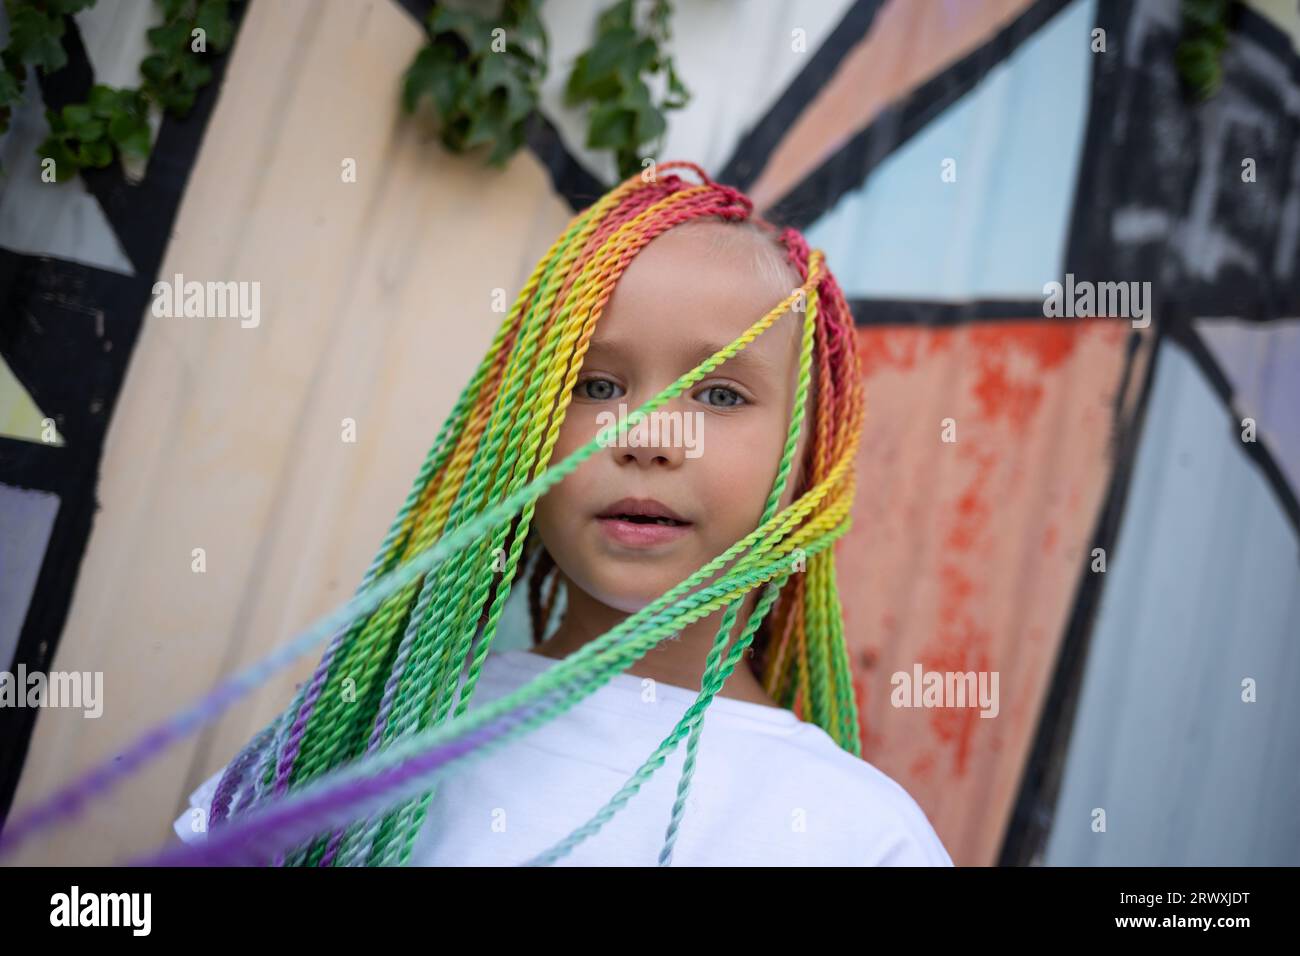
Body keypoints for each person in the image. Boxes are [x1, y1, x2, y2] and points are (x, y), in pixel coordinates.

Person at [173, 162, 953, 867]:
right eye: (597, 386)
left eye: (720, 395)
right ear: (522, 434)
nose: (646, 437)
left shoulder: (862, 835)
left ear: (813, 462)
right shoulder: (359, 744)